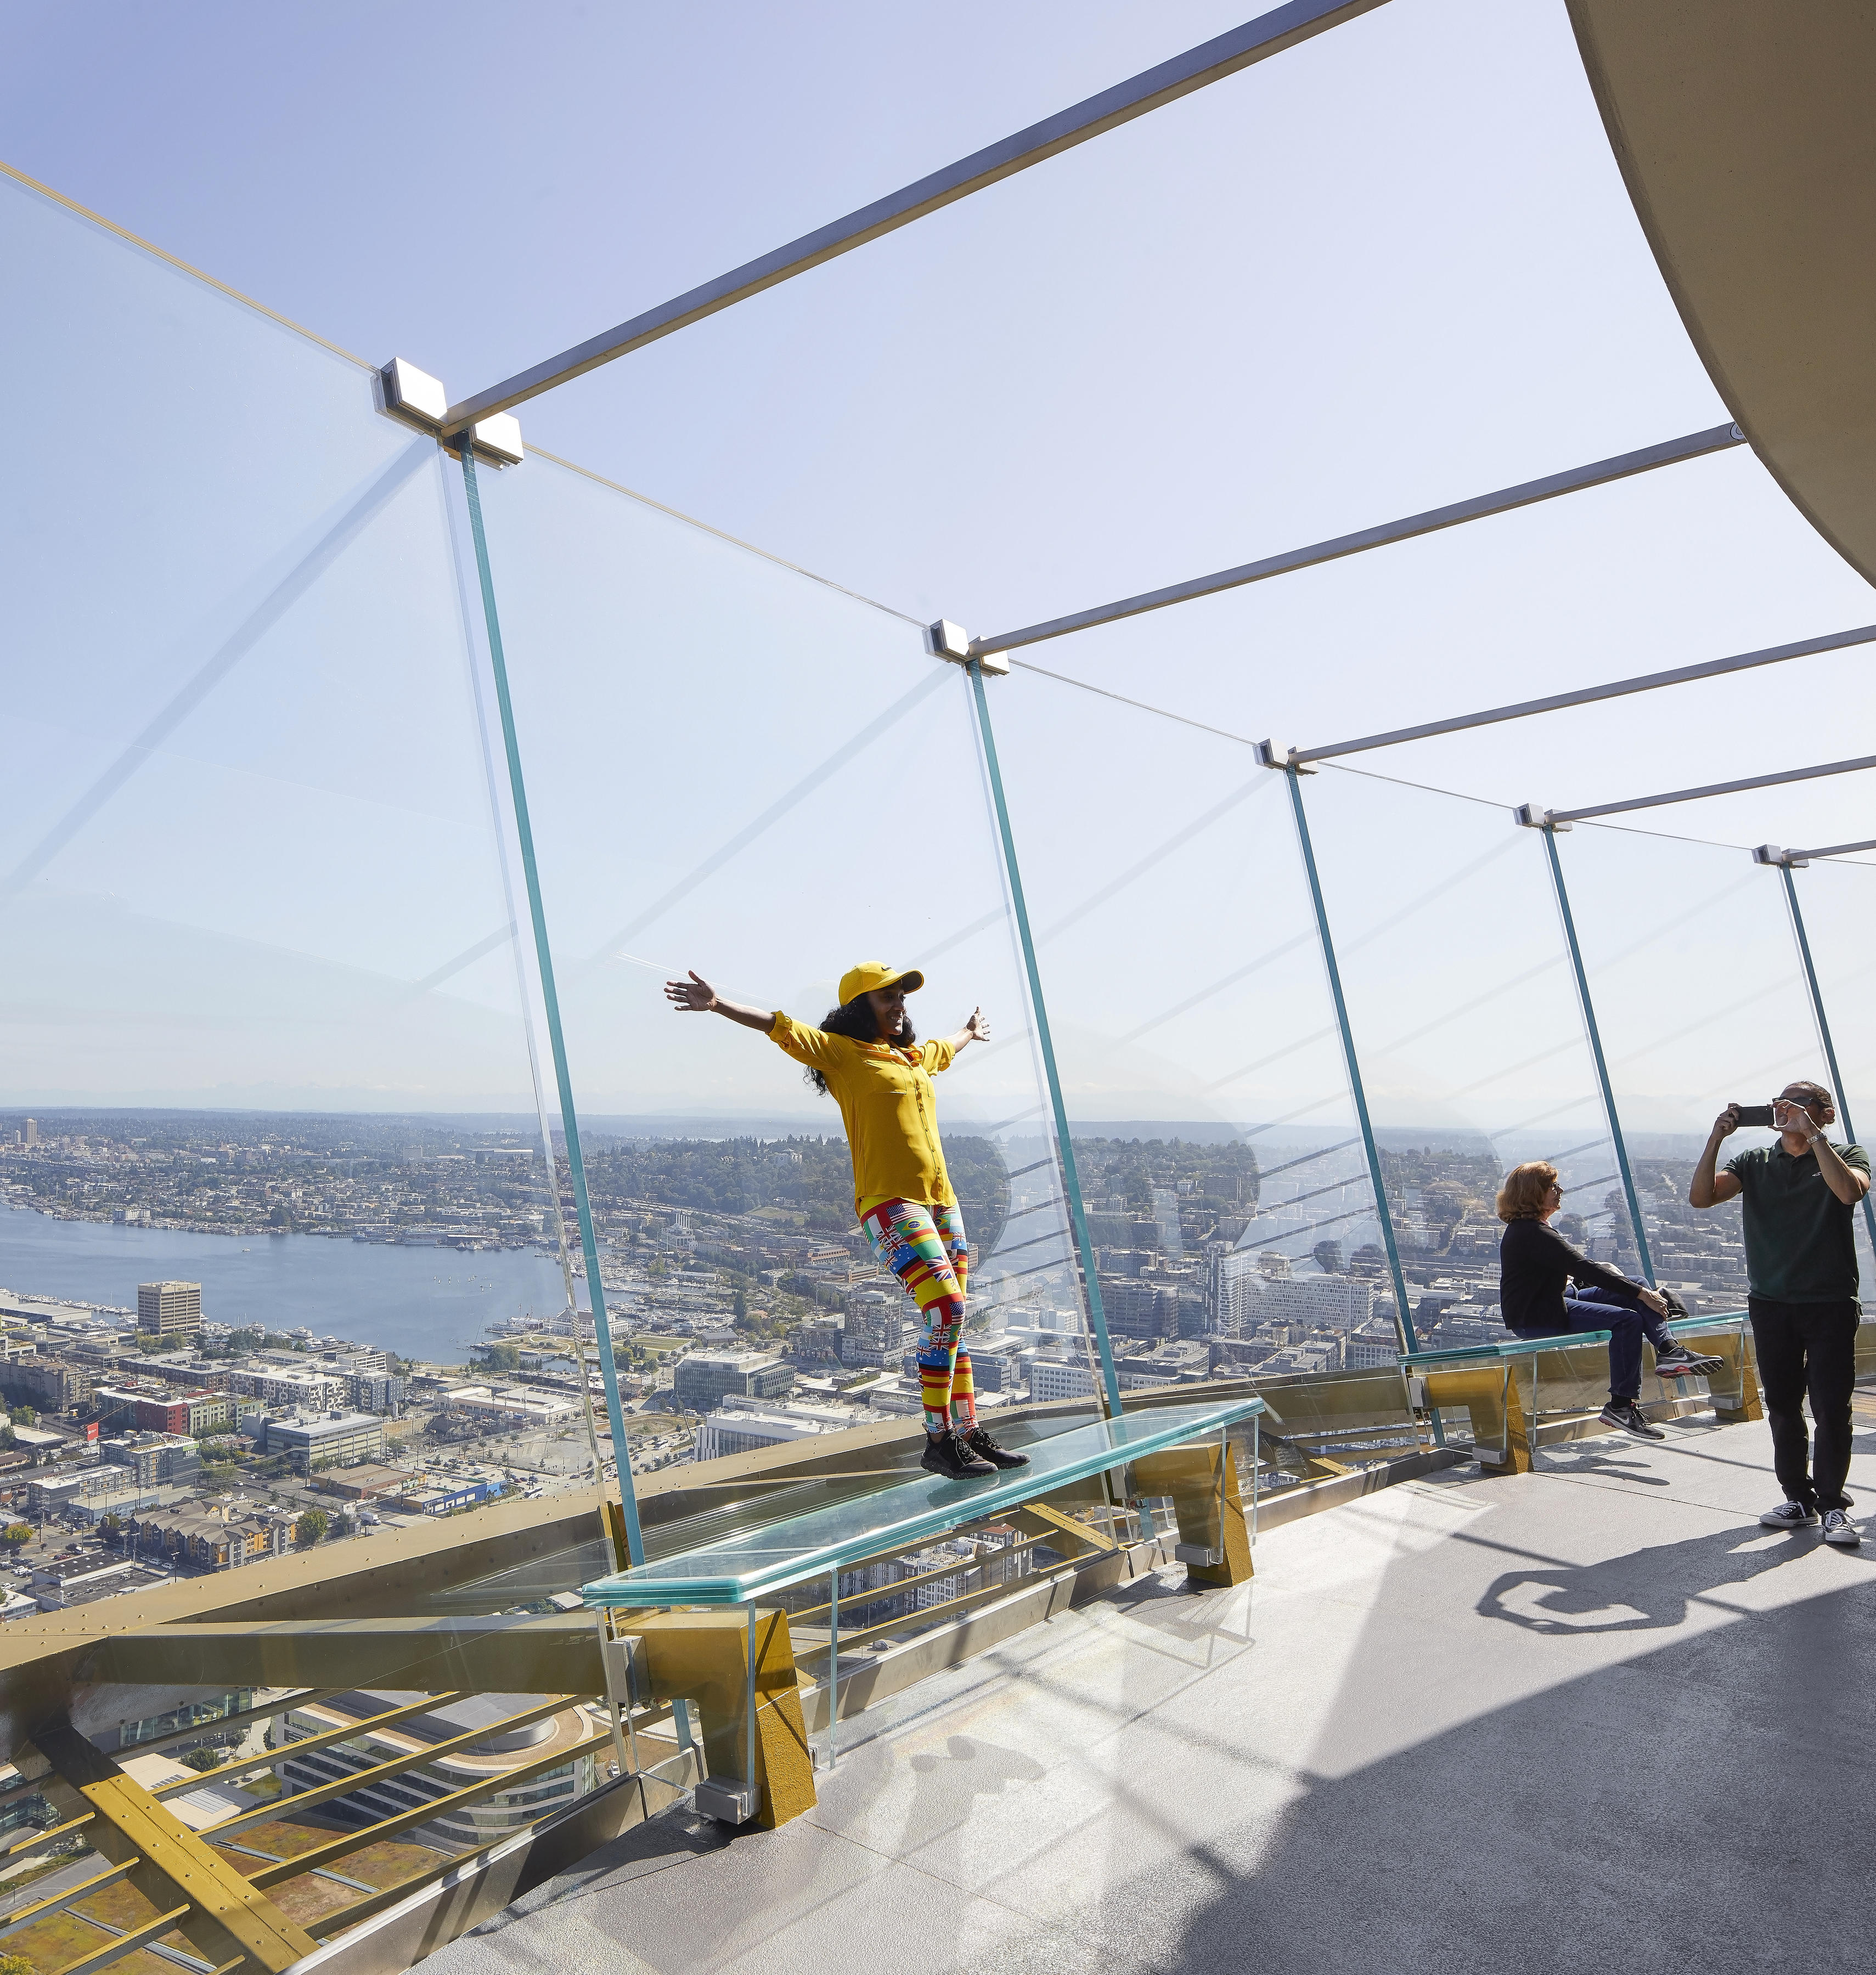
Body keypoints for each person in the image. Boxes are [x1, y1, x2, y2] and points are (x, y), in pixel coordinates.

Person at [664, 960, 1028, 1482]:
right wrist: (718, 1005)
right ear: (861, 1009)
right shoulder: (841, 1055)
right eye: (887, 998)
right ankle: (937, 1440)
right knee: (945, 1310)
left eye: (902, 997)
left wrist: (970, 1031)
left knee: (955, 1325)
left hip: (943, 1202)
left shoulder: (909, 1057)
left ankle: (968, 1433)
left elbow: (945, 1048)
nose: (900, 1005)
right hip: (890, 1203)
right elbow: (780, 1026)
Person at [1689, 1081, 1871, 1547]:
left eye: (1797, 1101)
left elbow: (1849, 1194)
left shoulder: (1846, 1153)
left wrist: (1813, 1137)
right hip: (1770, 1303)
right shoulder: (1753, 1162)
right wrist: (1715, 1139)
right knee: (1783, 1406)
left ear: (1824, 1113)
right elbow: (1702, 1197)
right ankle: (1798, 1498)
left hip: (1828, 1302)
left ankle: (1833, 1505)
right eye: (1779, 1101)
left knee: (1831, 1407)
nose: (1783, 1106)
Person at [1496, 1161, 1723, 1441]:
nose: (1560, 1190)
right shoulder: (1533, 1233)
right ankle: (1621, 1406)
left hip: (1558, 1301)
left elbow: (1571, 1269)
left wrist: (1638, 1291)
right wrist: (1644, 1296)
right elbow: (1584, 1268)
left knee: (1637, 1283)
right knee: (1627, 1319)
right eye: (1552, 1186)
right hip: (1538, 1317)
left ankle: (1669, 1350)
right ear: (1533, 1193)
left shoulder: (1531, 1229)